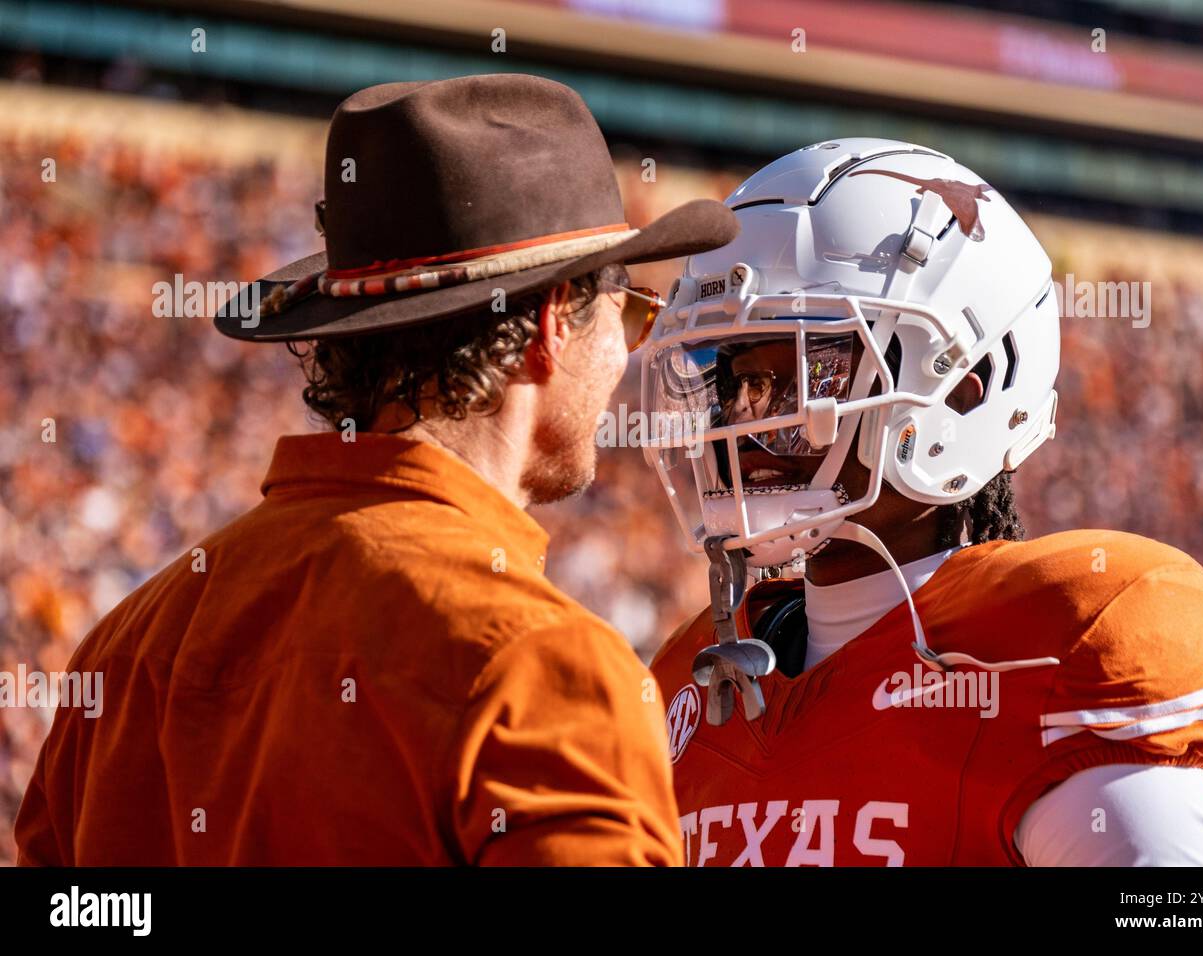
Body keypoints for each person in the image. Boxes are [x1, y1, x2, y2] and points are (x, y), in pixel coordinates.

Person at [15, 74, 738, 865]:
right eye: (625, 311)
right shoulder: (542, 667)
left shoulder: (127, 645)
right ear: (550, 323)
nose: (624, 354)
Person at [642, 138, 1203, 866]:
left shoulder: (1052, 658)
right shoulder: (688, 683)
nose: (744, 420)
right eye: (732, 379)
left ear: (964, 386)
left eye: (804, 370)